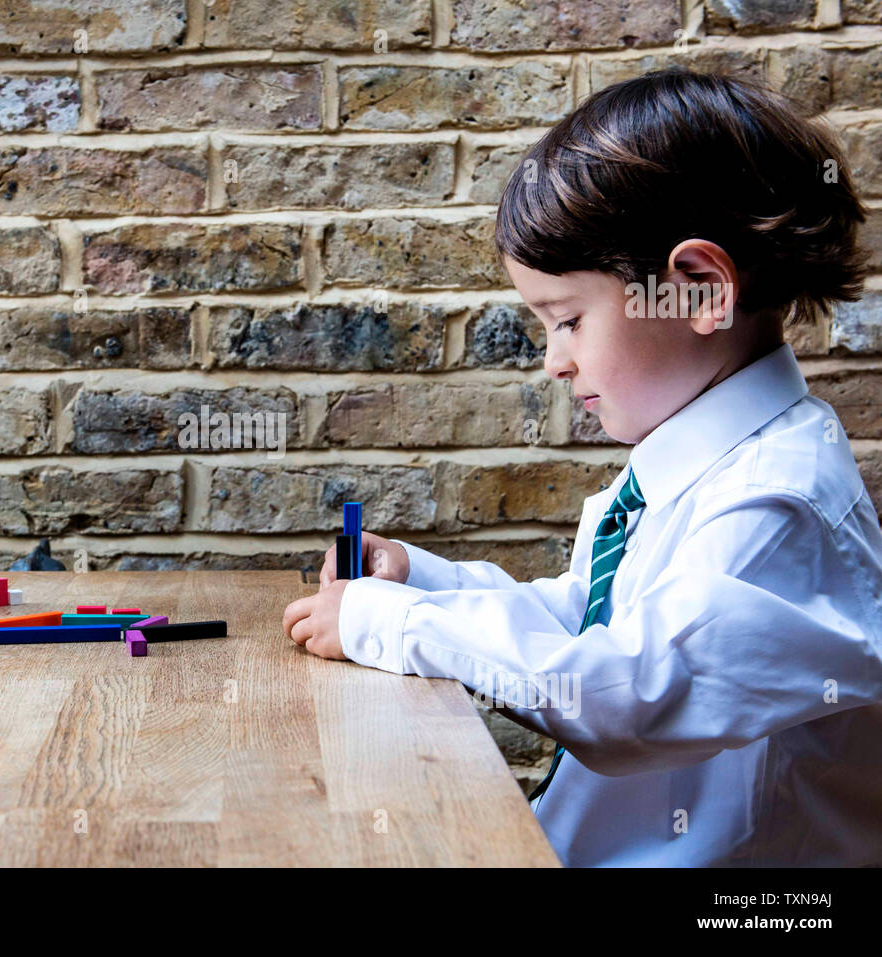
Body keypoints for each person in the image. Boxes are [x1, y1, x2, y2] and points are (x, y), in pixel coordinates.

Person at [283, 68, 882, 866]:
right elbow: (588, 623)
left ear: (697, 291)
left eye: (567, 320)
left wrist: (391, 626)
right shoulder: (682, 474)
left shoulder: (777, 506)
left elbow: (625, 694)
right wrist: (423, 584)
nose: (551, 362)